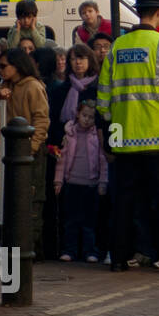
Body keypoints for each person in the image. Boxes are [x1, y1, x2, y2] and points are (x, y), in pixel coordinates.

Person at [97, 0, 159, 274]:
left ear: (138, 12)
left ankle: (119, 259)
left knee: (124, 203)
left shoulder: (117, 47)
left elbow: (104, 100)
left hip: (124, 140)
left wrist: (111, 136)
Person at [0, 48, 50, 256]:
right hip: (11, 152)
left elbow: (42, 120)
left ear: (17, 65)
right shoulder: (7, 87)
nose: (0, 70)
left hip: (31, 152)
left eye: (3, 66)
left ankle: (30, 250)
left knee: (32, 200)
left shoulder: (32, 87)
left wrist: (32, 147)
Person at [54, 100, 107, 263]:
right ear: (77, 114)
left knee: (89, 221)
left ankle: (90, 251)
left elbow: (102, 159)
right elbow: (61, 159)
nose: (86, 119)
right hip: (72, 183)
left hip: (90, 184)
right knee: (70, 220)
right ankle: (69, 250)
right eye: (84, 115)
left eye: (91, 117)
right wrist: (58, 181)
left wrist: (103, 182)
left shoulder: (96, 136)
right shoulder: (69, 134)